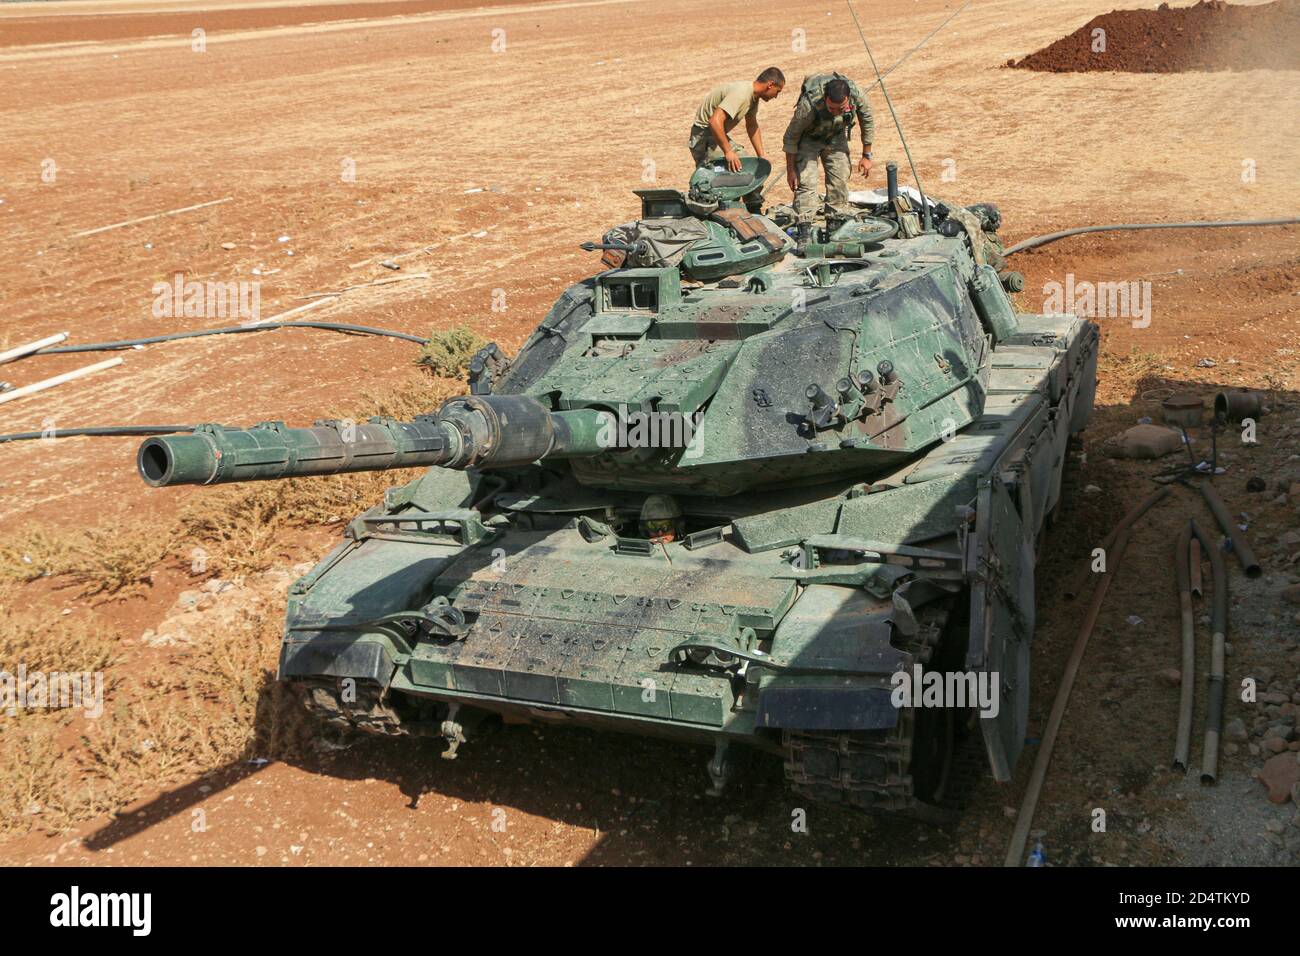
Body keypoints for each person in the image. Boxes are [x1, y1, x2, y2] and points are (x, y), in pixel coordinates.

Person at [782, 73, 875, 240]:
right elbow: (791, 137)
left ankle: (835, 223)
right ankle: (804, 230)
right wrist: (791, 170)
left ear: (847, 99)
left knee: (839, 179)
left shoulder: (856, 95)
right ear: (825, 98)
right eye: (831, 108)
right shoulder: (809, 105)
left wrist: (866, 154)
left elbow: (866, 117)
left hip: (836, 136)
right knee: (806, 183)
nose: (835, 112)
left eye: (841, 109)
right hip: (808, 139)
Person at [687, 68, 786, 173]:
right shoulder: (741, 93)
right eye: (777, 91)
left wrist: (761, 156)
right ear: (770, 85)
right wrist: (728, 152)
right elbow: (714, 121)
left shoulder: (753, 97)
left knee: (745, 165)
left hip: (715, 135)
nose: (776, 96)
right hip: (703, 138)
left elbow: (752, 126)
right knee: (732, 173)